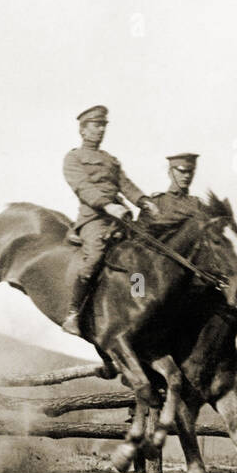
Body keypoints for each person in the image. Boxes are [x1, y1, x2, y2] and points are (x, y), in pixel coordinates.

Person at [60, 105, 155, 334]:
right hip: (94, 218)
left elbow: (125, 184)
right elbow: (83, 187)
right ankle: (73, 314)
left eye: (103, 125)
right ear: (83, 130)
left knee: (140, 257)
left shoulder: (109, 159)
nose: (101, 130)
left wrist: (143, 201)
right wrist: (107, 205)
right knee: (95, 256)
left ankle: (138, 304)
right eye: (96, 125)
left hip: (120, 217)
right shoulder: (74, 158)